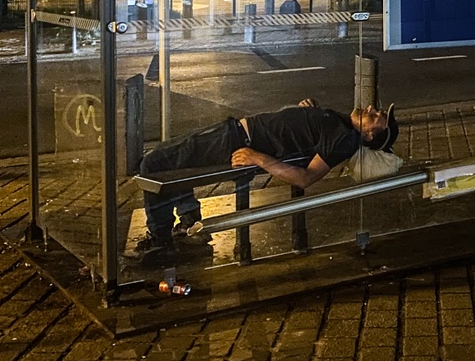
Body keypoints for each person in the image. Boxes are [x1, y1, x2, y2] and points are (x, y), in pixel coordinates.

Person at [132, 99, 398, 260]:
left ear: (369, 137)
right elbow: (302, 139)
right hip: (235, 133)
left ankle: (161, 239)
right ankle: (186, 223)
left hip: (236, 140)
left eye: (376, 117)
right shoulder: (341, 126)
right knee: (172, 162)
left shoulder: (345, 139)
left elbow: (305, 178)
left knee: (153, 163)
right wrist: (308, 113)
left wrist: (258, 158)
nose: (372, 109)